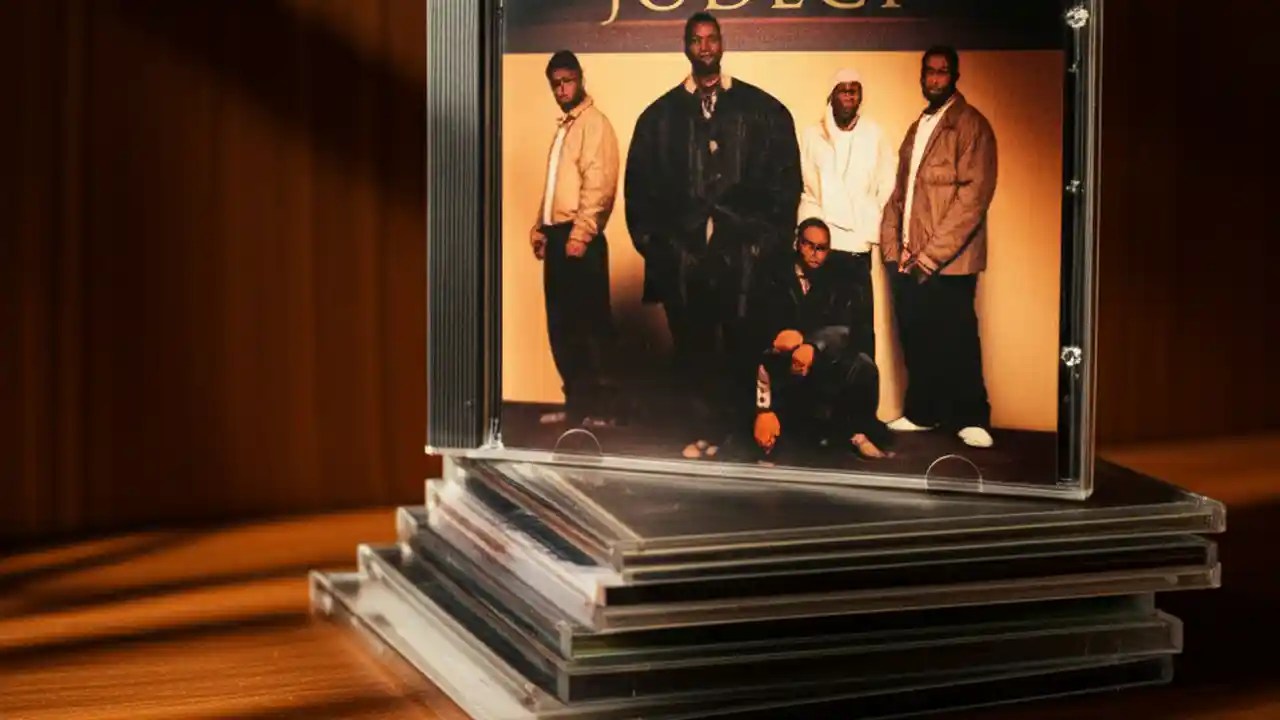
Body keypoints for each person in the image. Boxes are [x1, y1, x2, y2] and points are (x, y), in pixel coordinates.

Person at [624, 11, 802, 459]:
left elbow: (786, 184)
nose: (705, 47)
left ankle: (739, 434)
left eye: (712, 39)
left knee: (743, 346)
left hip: (742, 257)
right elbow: (638, 191)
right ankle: (700, 432)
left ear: (723, 45)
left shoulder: (762, 110)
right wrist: (659, 246)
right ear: (686, 47)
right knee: (692, 351)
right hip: (685, 259)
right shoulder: (658, 118)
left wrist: (766, 243)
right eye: (697, 40)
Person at [879, 45, 998, 449]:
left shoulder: (972, 126)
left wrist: (930, 256)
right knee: (918, 338)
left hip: (949, 262)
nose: (933, 79)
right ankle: (923, 413)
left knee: (958, 339)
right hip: (911, 259)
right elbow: (901, 193)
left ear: (955, 76)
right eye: (928, 72)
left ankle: (972, 418)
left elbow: (973, 200)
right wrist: (894, 249)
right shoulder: (919, 127)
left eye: (942, 72)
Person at [749, 218, 891, 462]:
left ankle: (857, 433)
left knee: (863, 365)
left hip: (822, 361)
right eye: (808, 245)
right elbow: (755, 330)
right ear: (797, 243)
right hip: (781, 361)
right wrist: (763, 409)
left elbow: (846, 330)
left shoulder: (839, 278)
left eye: (821, 248)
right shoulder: (772, 275)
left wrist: (811, 345)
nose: (814, 254)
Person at [530, 50, 621, 427]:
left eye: (568, 80)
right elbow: (557, 185)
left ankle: (604, 412)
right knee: (562, 326)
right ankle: (577, 407)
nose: (562, 89)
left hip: (579, 237)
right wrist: (539, 225)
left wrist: (581, 234)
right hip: (558, 236)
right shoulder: (564, 127)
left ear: (580, 78)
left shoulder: (594, 124)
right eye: (556, 83)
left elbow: (599, 186)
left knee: (590, 326)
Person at [797, 68, 897, 360]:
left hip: (856, 249)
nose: (849, 95)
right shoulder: (812, 135)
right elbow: (805, 186)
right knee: (822, 331)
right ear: (832, 95)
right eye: (843, 89)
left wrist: (866, 223)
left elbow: (886, 184)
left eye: (855, 90)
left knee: (859, 330)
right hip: (822, 250)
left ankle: (861, 403)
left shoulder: (874, 134)